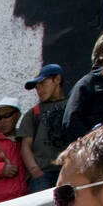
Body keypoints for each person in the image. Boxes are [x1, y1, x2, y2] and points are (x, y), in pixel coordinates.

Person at [19, 63, 69, 192]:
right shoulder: (33, 113)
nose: (39, 90)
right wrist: (35, 171)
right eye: (36, 87)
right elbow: (25, 146)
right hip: (43, 174)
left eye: (42, 84)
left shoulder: (73, 106)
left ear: (57, 79)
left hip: (69, 171)